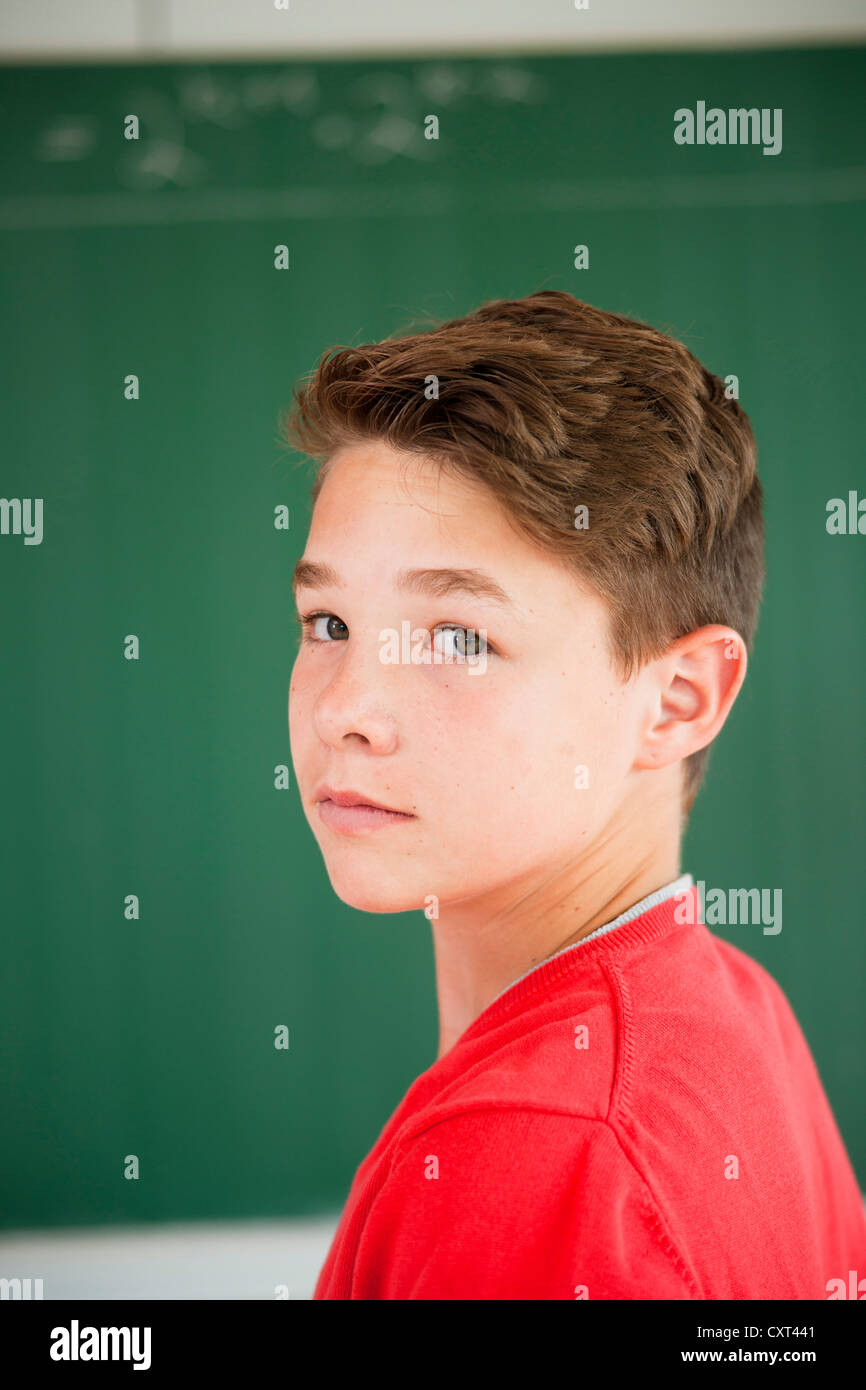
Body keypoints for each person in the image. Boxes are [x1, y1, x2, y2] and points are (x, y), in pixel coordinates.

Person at [283, 291, 866, 1299]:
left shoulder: (527, 1155)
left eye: (458, 638)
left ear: (676, 700)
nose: (345, 710)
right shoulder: (734, 1007)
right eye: (328, 621)